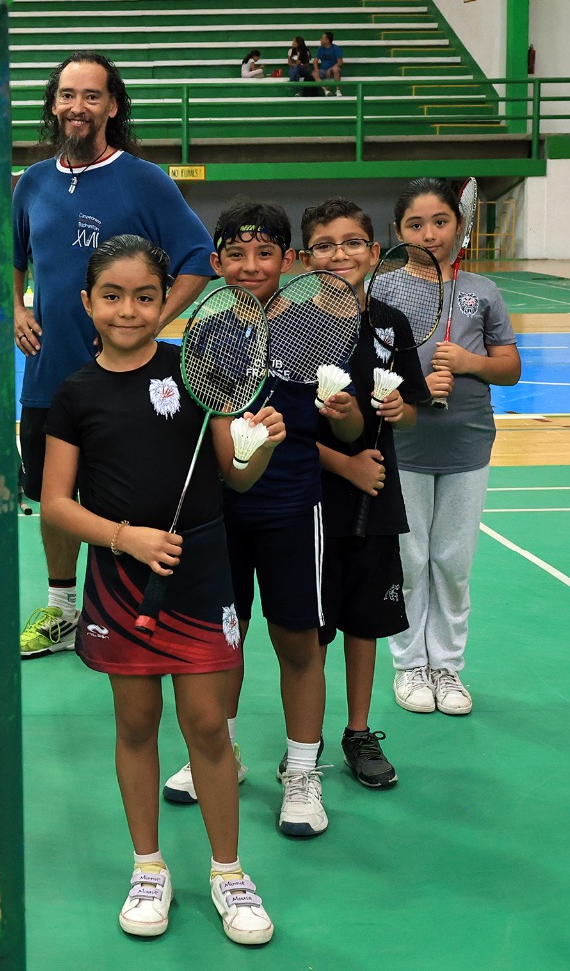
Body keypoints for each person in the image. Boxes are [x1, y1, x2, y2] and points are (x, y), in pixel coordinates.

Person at [40, 235, 281, 946]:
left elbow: (235, 479)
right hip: (122, 578)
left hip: (200, 575)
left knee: (208, 726)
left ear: (165, 300)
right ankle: (149, 866)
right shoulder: (75, 393)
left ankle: (229, 872)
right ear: (87, 304)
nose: (129, 309)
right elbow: (56, 502)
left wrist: (258, 448)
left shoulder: (196, 372)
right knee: (137, 724)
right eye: (112, 296)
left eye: (145, 296)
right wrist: (125, 538)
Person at [161, 199, 364, 838]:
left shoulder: (316, 323)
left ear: (289, 260)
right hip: (221, 508)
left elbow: (353, 430)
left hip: (294, 506)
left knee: (298, 641)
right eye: (237, 255)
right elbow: (208, 423)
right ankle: (220, 753)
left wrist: (347, 414)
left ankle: (303, 771)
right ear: (216, 262)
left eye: (265, 253)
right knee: (224, 639)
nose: (251, 266)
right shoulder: (207, 329)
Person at [12, 52, 217, 661]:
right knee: (52, 499)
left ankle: (119, 603)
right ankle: (62, 608)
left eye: (92, 96)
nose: (78, 106)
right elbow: (9, 253)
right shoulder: (33, 182)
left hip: (124, 382)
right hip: (50, 380)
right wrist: (17, 308)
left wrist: (154, 318)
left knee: (119, 496)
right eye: (67, 95)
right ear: (54, 104)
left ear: (113, 106)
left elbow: (198, 256)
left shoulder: (144, 179)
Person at [300, 198, 428, 789]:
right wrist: (344, 465)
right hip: (309, 497)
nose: (340, 254)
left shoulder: (391, 324)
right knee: (311, 626)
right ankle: (306, 738)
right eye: (325, 245)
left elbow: (408, 413)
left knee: (365, 622)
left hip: (375, 498)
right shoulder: (292, 328)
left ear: (375, 253)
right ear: (306, 259)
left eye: (353, 242)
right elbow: (281, 423)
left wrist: (400, 413)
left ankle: (357, 731)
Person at [389, 178, 521, 716]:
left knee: (453, 562)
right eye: (415, 225)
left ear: (459, 227)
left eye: (440, 222)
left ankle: (447, 667)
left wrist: (468, 365)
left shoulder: (482, 292)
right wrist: (417, 388)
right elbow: (371, 370)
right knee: (409, 560)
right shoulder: (385, 290)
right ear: (398, 233)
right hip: (404, 446)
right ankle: (408, 666)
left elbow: (509, 367)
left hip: (468, 445)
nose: (428, 234)